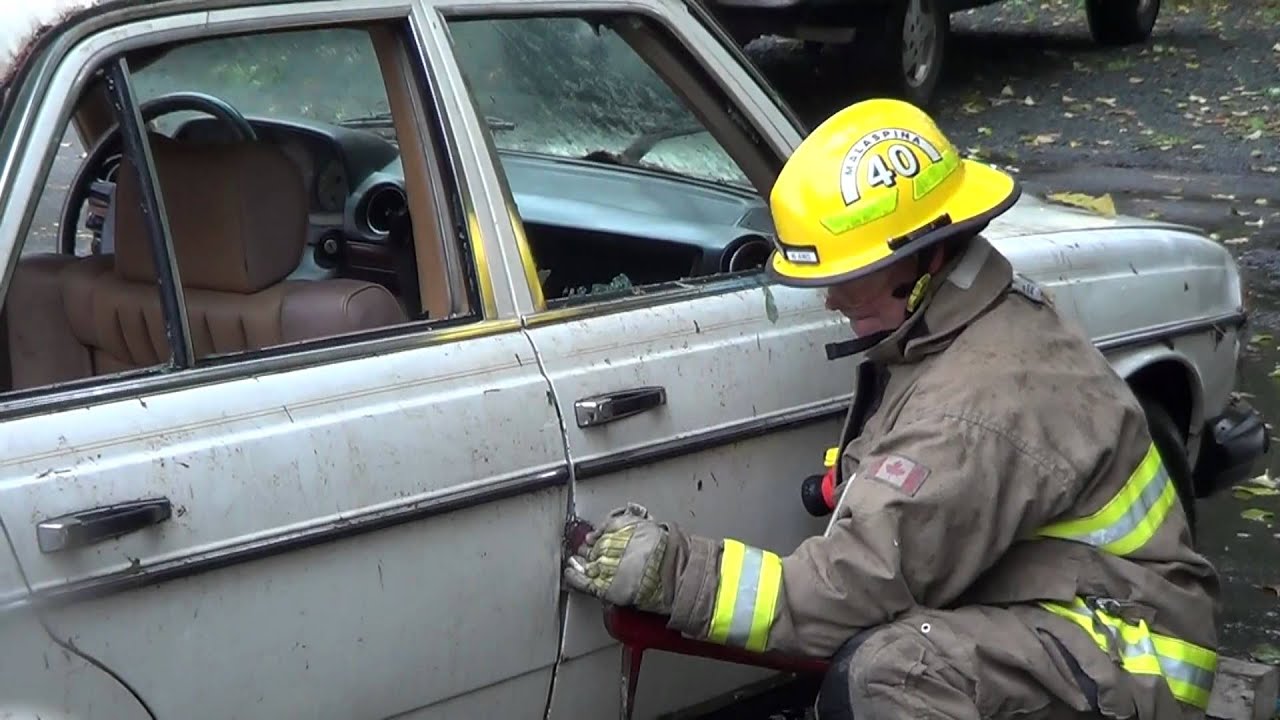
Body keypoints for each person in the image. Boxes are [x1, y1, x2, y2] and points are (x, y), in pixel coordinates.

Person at [562, 98, 1222, 720]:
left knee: (892, 673)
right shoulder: (972, 314)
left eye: (846, 278)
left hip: (1132, 658)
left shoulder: (975, 403)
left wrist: (677, 573)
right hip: (1080, 612)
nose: (831, 301)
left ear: (925, 257)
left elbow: (847, 590)